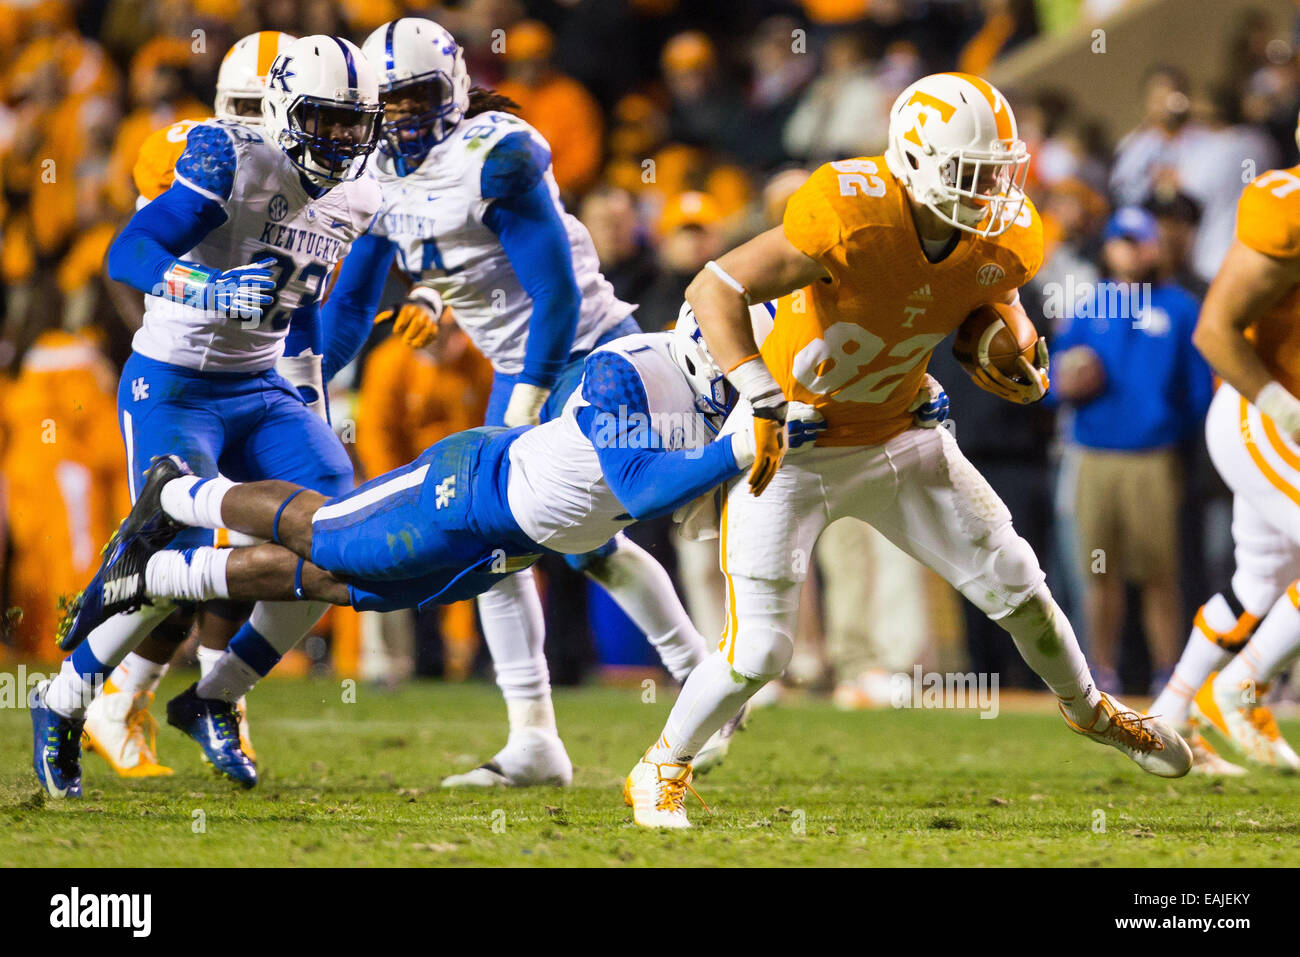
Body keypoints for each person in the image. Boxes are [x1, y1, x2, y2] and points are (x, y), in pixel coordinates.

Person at [623, 72, 1193, 829]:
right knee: (760, 648)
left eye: (1000, 172)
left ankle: (1091, 710)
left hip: (902, 432)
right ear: (915, 160)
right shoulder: (848, 211)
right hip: (793, 440)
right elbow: (714, 286)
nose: (992, 191)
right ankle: (661, 764)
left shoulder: (1004, 231)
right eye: (972, 174)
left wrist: (1009, 345)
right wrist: (758, 393)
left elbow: (995, 296)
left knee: (1023, 586)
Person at [42, 311, 825, 797]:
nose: (745, 393)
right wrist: (737, 448)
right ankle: (177, 499)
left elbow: (717, 460)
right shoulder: (629, 369)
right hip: (470, 491)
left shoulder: (710, 399)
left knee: (345, 584)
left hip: (506, 545)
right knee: (329, 532)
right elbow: (649, 489)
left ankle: (182, 624)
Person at [339, 17, 734, 787]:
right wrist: (320, 358)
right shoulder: (377, 170)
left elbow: (553, 294)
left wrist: (522, 405)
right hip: (519, 363)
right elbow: (382, 281)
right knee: (517, 545)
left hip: (586, 352)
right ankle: (539, 736)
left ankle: (692, 684)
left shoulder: (499, 154)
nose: (401, 118)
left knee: (567, 536)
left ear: (451, 87)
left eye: (414, 97)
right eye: (387, 103)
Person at [29, 35, 393, 799]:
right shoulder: (231, 156)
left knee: (342, 535)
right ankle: (64, 699)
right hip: (174, 384)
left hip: (260, 388)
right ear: (284, 110)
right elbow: (129, 250)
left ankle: (217, 693)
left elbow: (307, 308)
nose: (340, 140)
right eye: (324, 120)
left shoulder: (363, 192)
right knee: (172, 565)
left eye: (353, 124)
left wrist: (310, 396)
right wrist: (208, 290)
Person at [1150, 124, 1300, 772]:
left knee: (1257, 583)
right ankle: (1243, 687)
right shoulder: (1286, 209)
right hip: (1262, 410)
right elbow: (1214, 330)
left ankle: (1170, 714)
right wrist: (1284, 407)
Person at [1052, 207, 1213, 701]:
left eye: (1138, 240)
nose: (1130, 249)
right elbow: (1051, 381)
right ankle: (1101, 672)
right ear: (1108, 248)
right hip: (1095, 455)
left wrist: (1175, 438)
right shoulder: (1090, 305)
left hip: (1152, 457)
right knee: (1099, 573)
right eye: (1121, 240)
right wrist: (1067, 384)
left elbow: (1199, 392)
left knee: (1159, 573)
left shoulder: (1179, 307)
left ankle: (1170, 673)